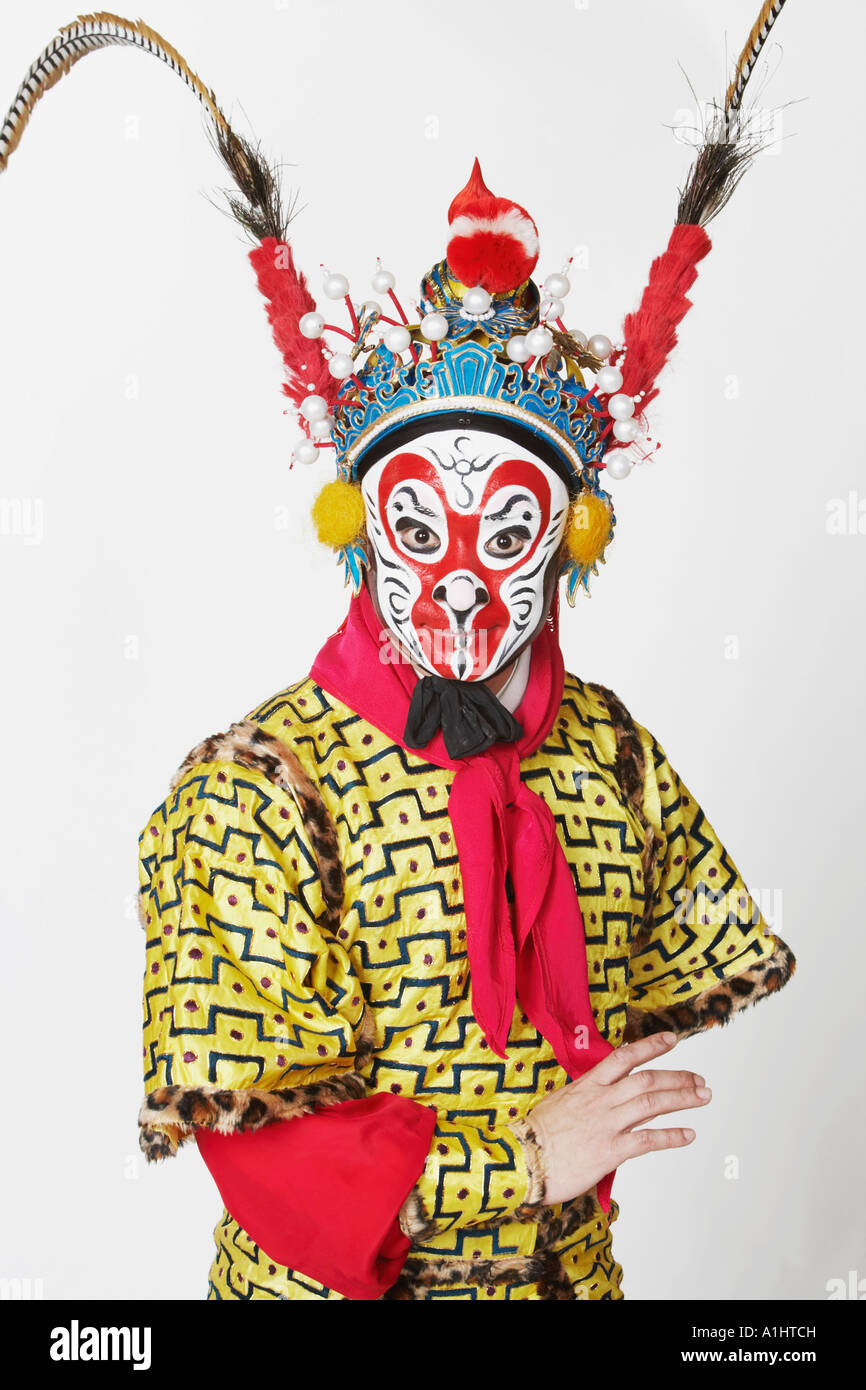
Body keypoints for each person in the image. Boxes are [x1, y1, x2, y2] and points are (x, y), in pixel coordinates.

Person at [1, 2, 797, 1301]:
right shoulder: (251, 787)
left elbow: (641, 1007)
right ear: (362, 530)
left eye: (506, 527)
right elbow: (270, 1154)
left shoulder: (609, 753)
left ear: (566, 534)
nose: (461, 577)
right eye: (419, 524)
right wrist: (522, 1158)